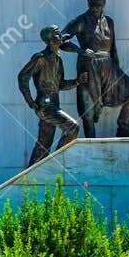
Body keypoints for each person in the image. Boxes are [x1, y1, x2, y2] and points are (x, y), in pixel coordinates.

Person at [61, 0, 129, 138]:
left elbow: (113, 47)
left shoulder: (109, 22)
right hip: (89, 66)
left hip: (108, 66)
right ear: (87, 0)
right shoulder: (80, 21)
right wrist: (80, 50)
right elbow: (59, 41)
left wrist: (117, 69)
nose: (96, 1)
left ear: (104, 1)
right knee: (88, 107)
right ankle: (91, 141)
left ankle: (123, 127)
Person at [17, 25, 83, 167]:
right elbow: (23, 77)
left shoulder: (58, 60)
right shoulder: (40, 57)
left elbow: (61, 85)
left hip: (54, 103)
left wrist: (77, 81)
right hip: (45, 105)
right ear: (50, 39)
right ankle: (55, 165)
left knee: (43, 145)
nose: (61, 35)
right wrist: (29, 100)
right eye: (57, 33)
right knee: (73, 127)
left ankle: (29, 177)